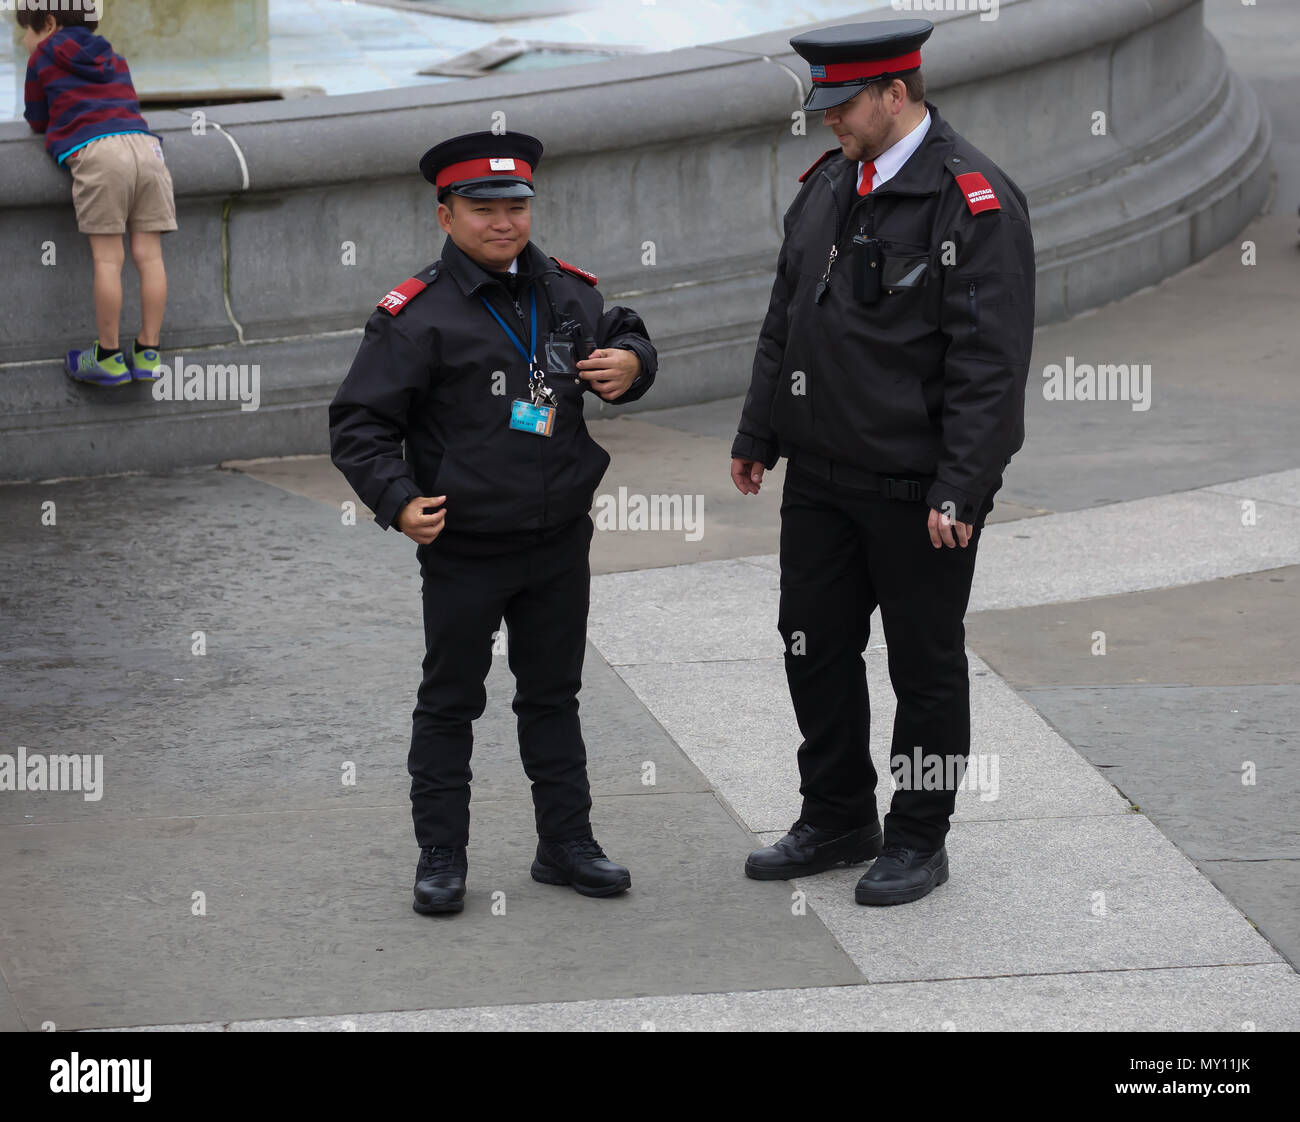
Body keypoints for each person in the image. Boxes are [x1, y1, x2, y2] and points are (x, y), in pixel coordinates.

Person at [730, 20, 1036, 905]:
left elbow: (990, 361)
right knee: (812, 649)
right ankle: (835, 816)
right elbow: (787, 313)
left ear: (895, 94)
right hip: (821, 479)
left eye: (842, 104)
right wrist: (759, 432)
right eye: (819, 104)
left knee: (924, 666)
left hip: (918, 491)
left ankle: (917, 837)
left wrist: (963, 486)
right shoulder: (830, 183)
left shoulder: (972, 200)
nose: (828, 121)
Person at [329, 132, 657, 916]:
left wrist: (635, 365)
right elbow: (358, 425)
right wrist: (398, 500)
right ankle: (442, 854)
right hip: (466, 547)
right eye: (484, 210)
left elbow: (625, 333)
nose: (505, 223)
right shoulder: (416, 316)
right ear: (445, 215)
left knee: (554, 696)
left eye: (516, 207)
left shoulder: (568, 290)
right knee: (451, 700)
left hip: (557, 539)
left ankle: (566, 842)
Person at [18, 4, 176, 387]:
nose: (24, 39)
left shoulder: (43, 57)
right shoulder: (114, 57)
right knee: (150, 257)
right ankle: (148, 352)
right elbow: (126, 105)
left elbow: (37, 118)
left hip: (100, 154)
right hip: (146, 150)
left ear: (49, 24)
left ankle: (106, 355)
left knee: (109, 259)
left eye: (26, 29)